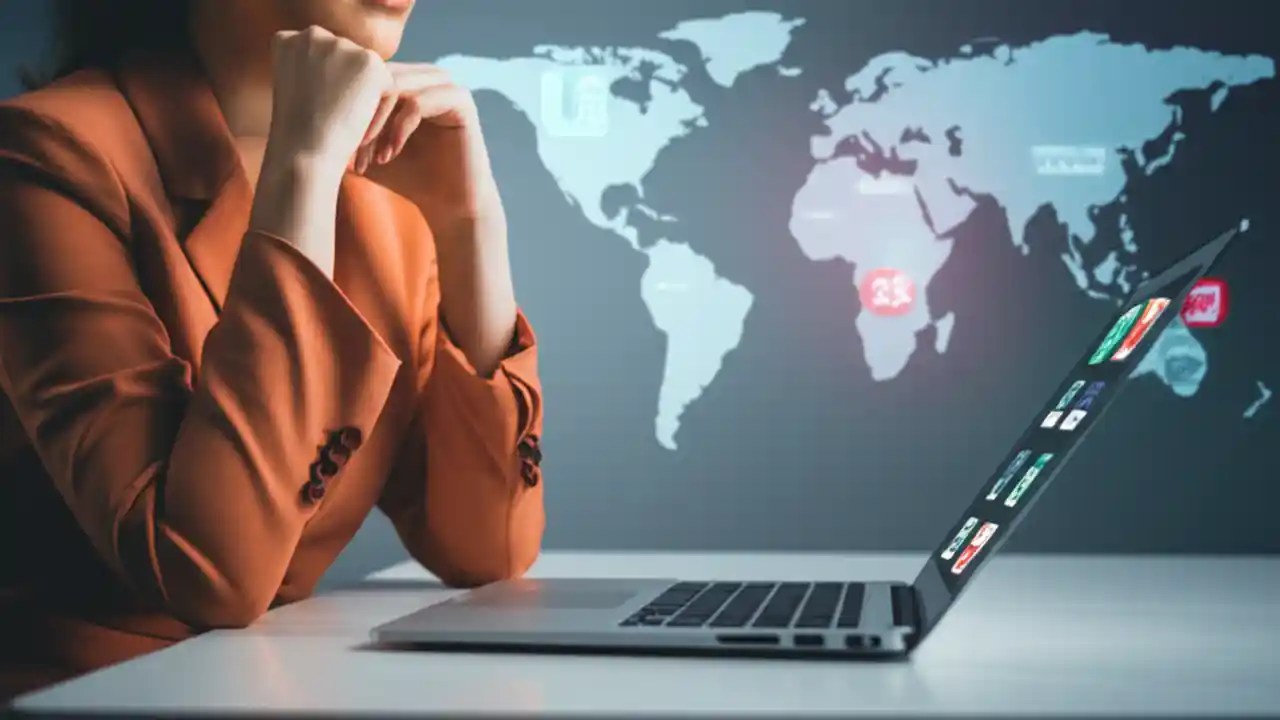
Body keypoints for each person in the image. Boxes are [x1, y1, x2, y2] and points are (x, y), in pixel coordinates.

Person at [0, 0, 546, 699]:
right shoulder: (50, 152)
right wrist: (305, 170)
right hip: (88, 694)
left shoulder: (383, 206)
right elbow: (204, 572)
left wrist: (471, 226)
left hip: (275, 685)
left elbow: (487, 550)